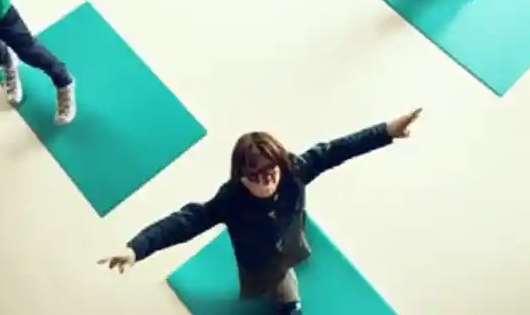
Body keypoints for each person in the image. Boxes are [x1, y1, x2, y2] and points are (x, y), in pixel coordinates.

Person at [99, 109, 423, 315]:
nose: (266, 182)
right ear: (240, 176)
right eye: (255, 177)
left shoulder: (295, 170)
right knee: (284, 292)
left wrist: (386, 131)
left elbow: (338, 150)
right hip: (263, 259)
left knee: (295, 251)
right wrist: (135, 248)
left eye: (271, 173)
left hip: (290, 233)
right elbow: (183, 222)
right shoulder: (231, 200)